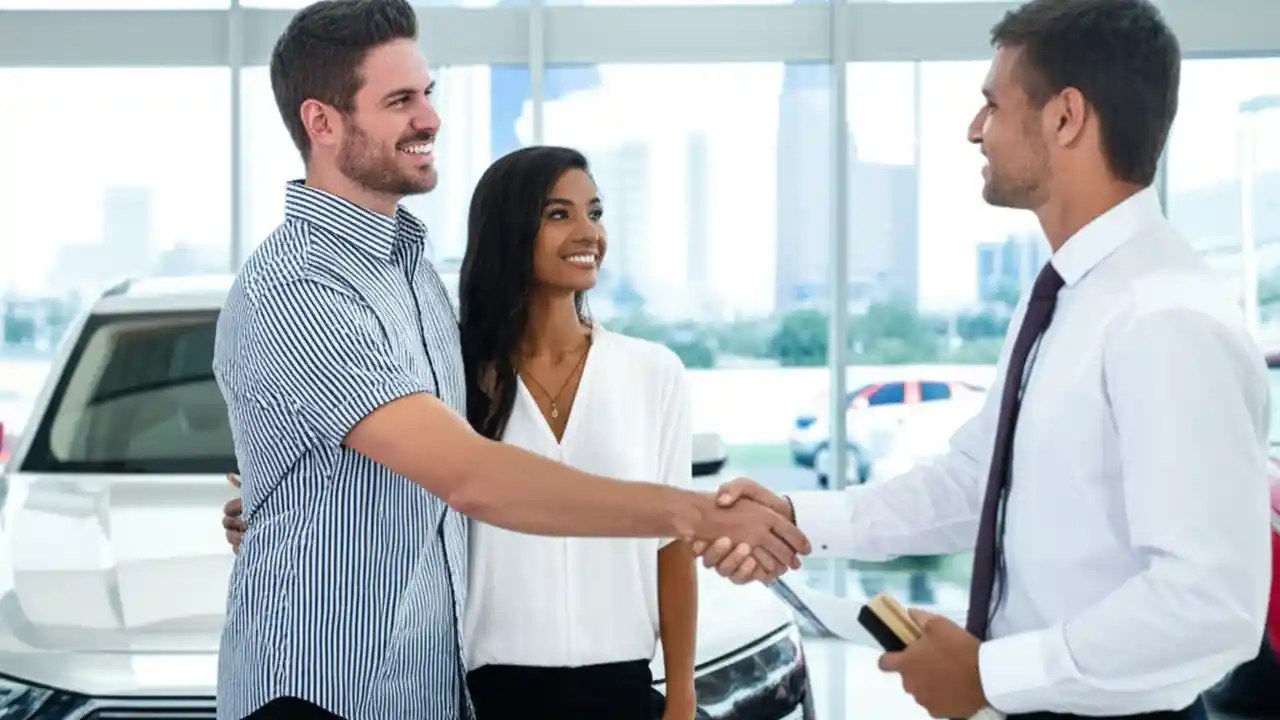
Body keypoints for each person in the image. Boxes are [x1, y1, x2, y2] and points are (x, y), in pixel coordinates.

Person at [212, 2, 806, 720]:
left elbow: (383, 477)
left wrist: (279, 502)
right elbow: (470, 474)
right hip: (321, 693)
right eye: (400, 101)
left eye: (428, 93)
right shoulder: (299, 284)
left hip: (429, 690)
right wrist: (698, 513)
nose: (430, 118)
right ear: (322, 122)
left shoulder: (414, 278)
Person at [696, 1, 1271, 719]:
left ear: (1065, 117)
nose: (975, 129)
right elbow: (977, 483)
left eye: (993, 105)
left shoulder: (1167, 318)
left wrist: (991, 673)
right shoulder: (1067, 296)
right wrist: (790, 515)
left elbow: (1211, 603)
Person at [224, 146, 701, 720]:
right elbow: (398, 484)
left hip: (622, 689)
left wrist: (682, 694)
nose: (588, 233)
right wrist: (281, 508)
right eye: (559, 214)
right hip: (483, 695)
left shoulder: (652, 372)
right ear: (509, 229)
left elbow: (673, 545)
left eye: (594, 213)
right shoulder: (452, 374)